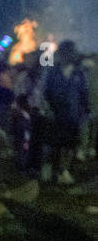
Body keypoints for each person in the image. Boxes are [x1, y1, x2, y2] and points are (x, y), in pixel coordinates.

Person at [43, 40, 90, 185]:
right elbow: (46, 93)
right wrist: (49, 110)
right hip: (57, 116)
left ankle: (66, 171)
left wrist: (85, 112)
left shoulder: (79, 73)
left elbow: (84, 94)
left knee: (71, 146)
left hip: (73, 117)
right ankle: (56, 172)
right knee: (56, 146)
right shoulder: (52, 73)